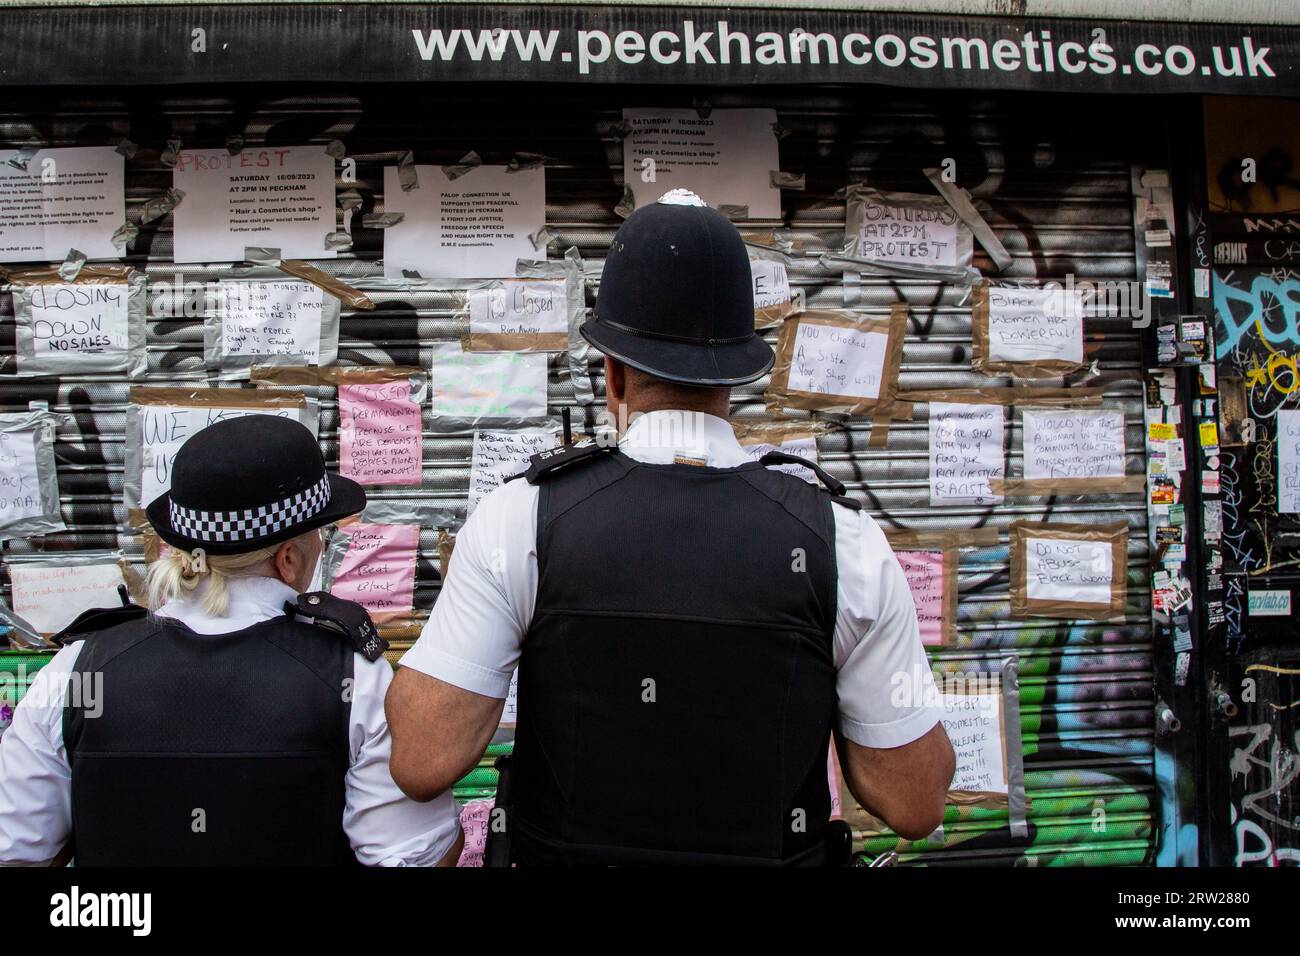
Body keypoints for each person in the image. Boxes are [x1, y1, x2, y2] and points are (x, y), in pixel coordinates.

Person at [387, 190, 955, 866]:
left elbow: (421, 758)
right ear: (737, 376)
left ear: (612, 373)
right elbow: (916, 803)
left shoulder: (521, 519)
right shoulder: (843, 543)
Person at [0, 415, 462, 866]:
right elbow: (415, 854)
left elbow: (19, 850)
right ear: (288, 559)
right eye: (319, 534)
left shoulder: (75, 671)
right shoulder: (354, 676)